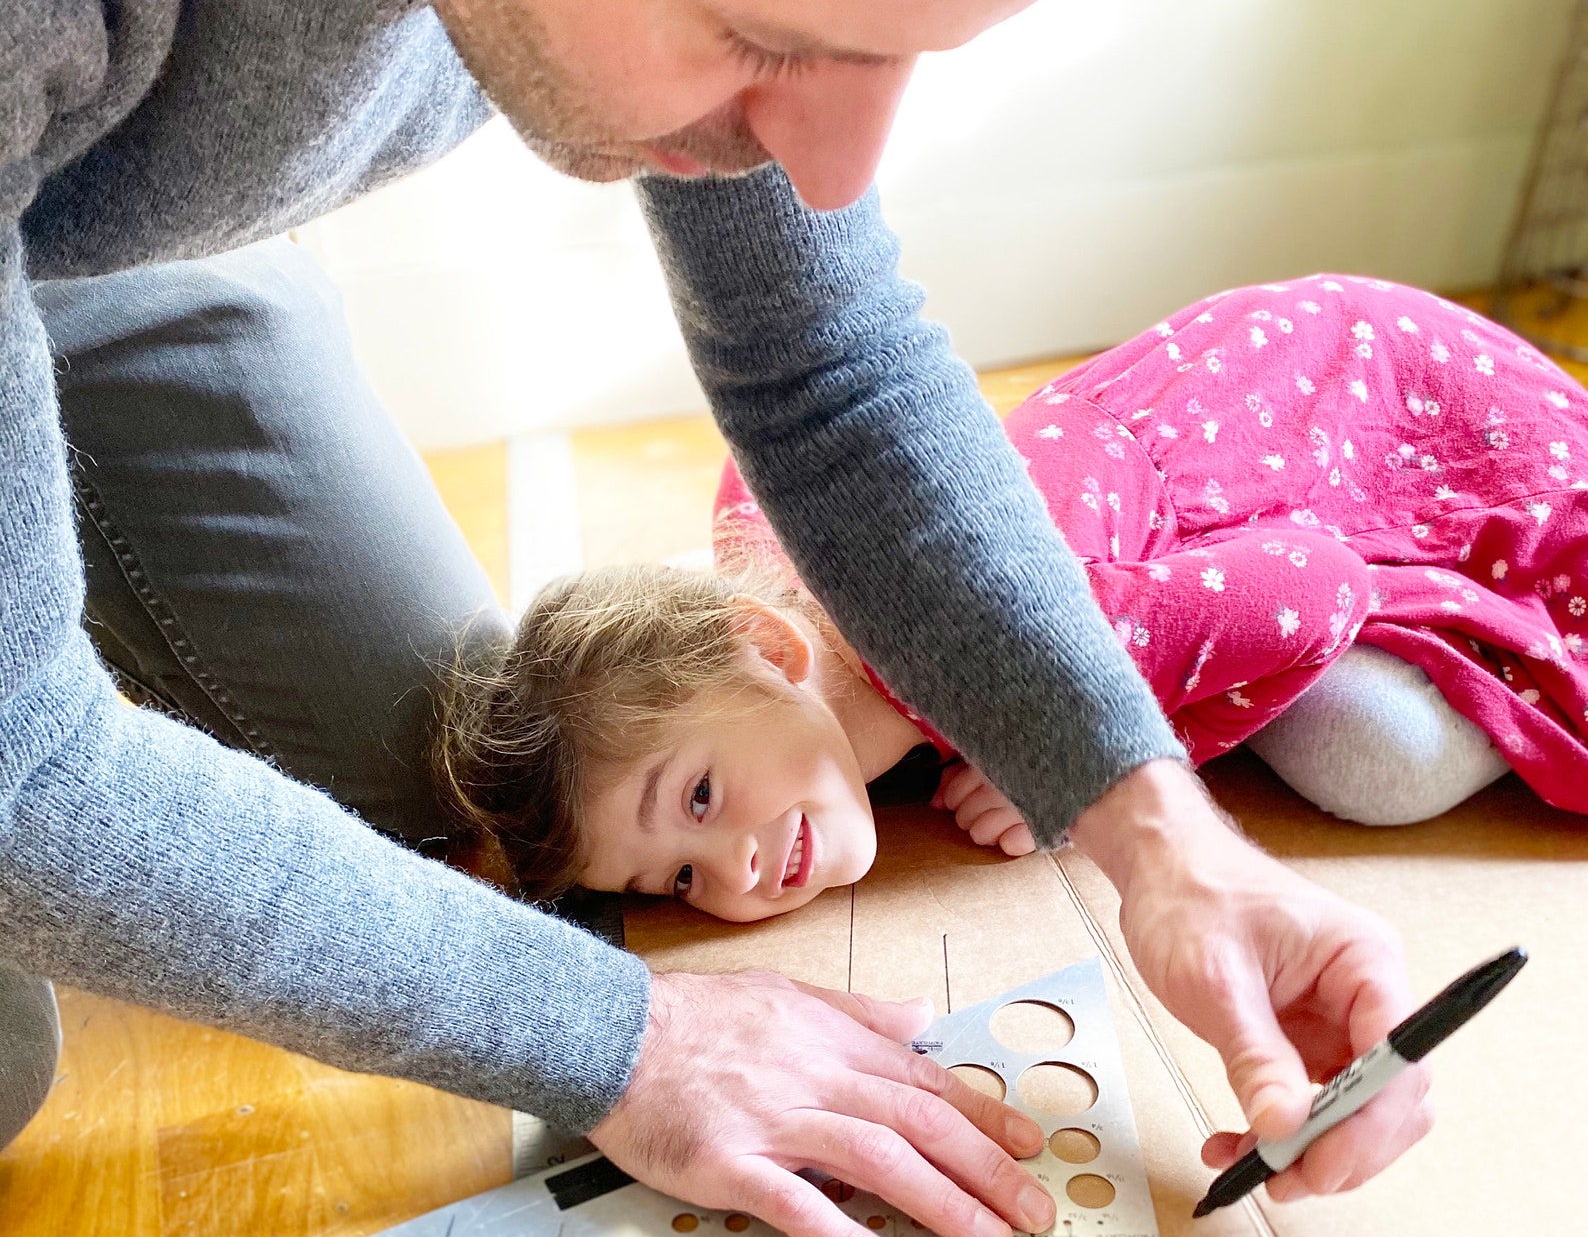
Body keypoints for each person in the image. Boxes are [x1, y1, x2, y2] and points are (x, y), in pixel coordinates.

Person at [0, 0, 1421, 1237]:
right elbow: (20, 771)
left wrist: (1156, 834)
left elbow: (823, 367)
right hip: (53, 65)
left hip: (125, 218)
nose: (829, 172)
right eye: (763, 30)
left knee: (423, 761)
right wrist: (629, 1041)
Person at [442, 270, 1586, 937]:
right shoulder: (774, 582)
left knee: (1370, 762)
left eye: (696, 794)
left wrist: (1088, 754)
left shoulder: (1036, 624)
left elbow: (1318, 585)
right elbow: (748, 476)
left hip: (1395, 413)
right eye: (679, 880)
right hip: (1221, 407)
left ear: (767, 642)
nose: (734, 865)